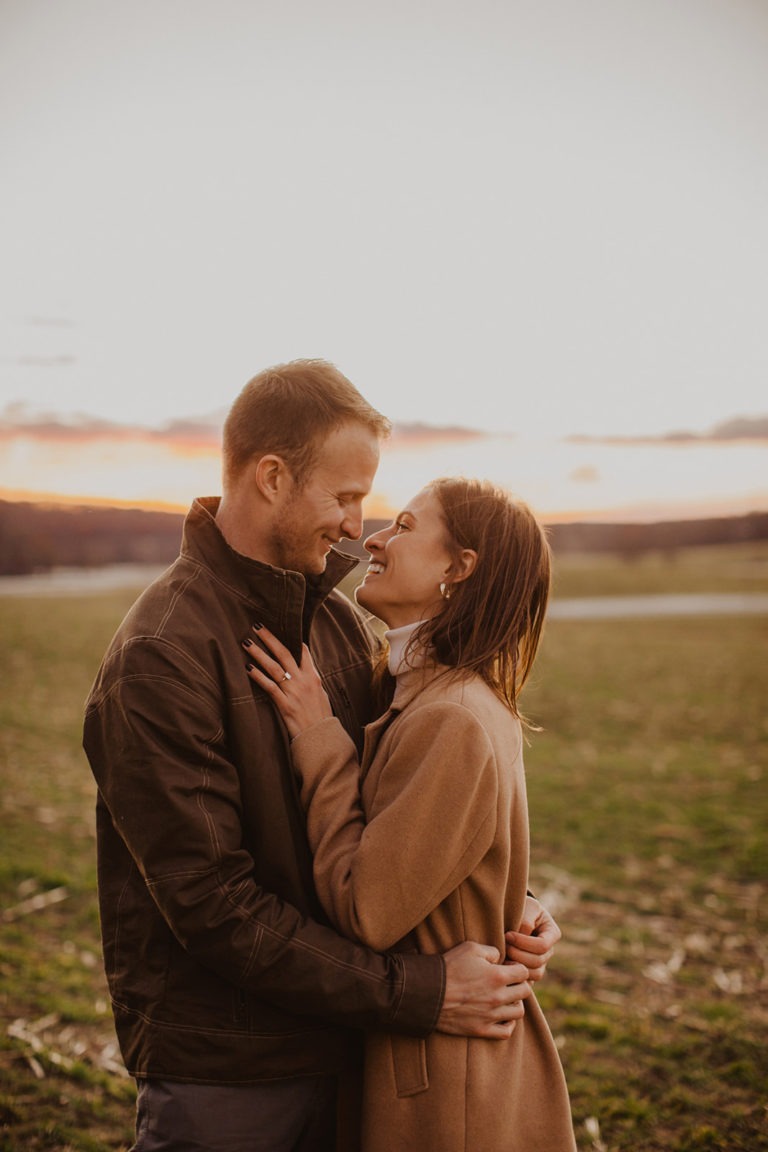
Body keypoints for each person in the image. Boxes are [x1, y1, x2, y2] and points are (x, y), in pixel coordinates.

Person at [83, 360, 562, 1152]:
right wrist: (418, 994)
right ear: (272, 477)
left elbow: (399, 801)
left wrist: (509, 897)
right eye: (345, 498)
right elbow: (213, 906)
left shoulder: (335, 625)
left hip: (350, 1054)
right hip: (233, 1073)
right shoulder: (160, 656)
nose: (356, 525)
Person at [244, 476, 577, 1151]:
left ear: (458, 568)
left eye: (402, 525)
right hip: (436, 1058)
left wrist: (318, 736)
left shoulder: (451, 716)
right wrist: (518, 904)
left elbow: (369, 907)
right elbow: (452, 853)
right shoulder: (438, 693)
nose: (374, 537)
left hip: (446, 1090)